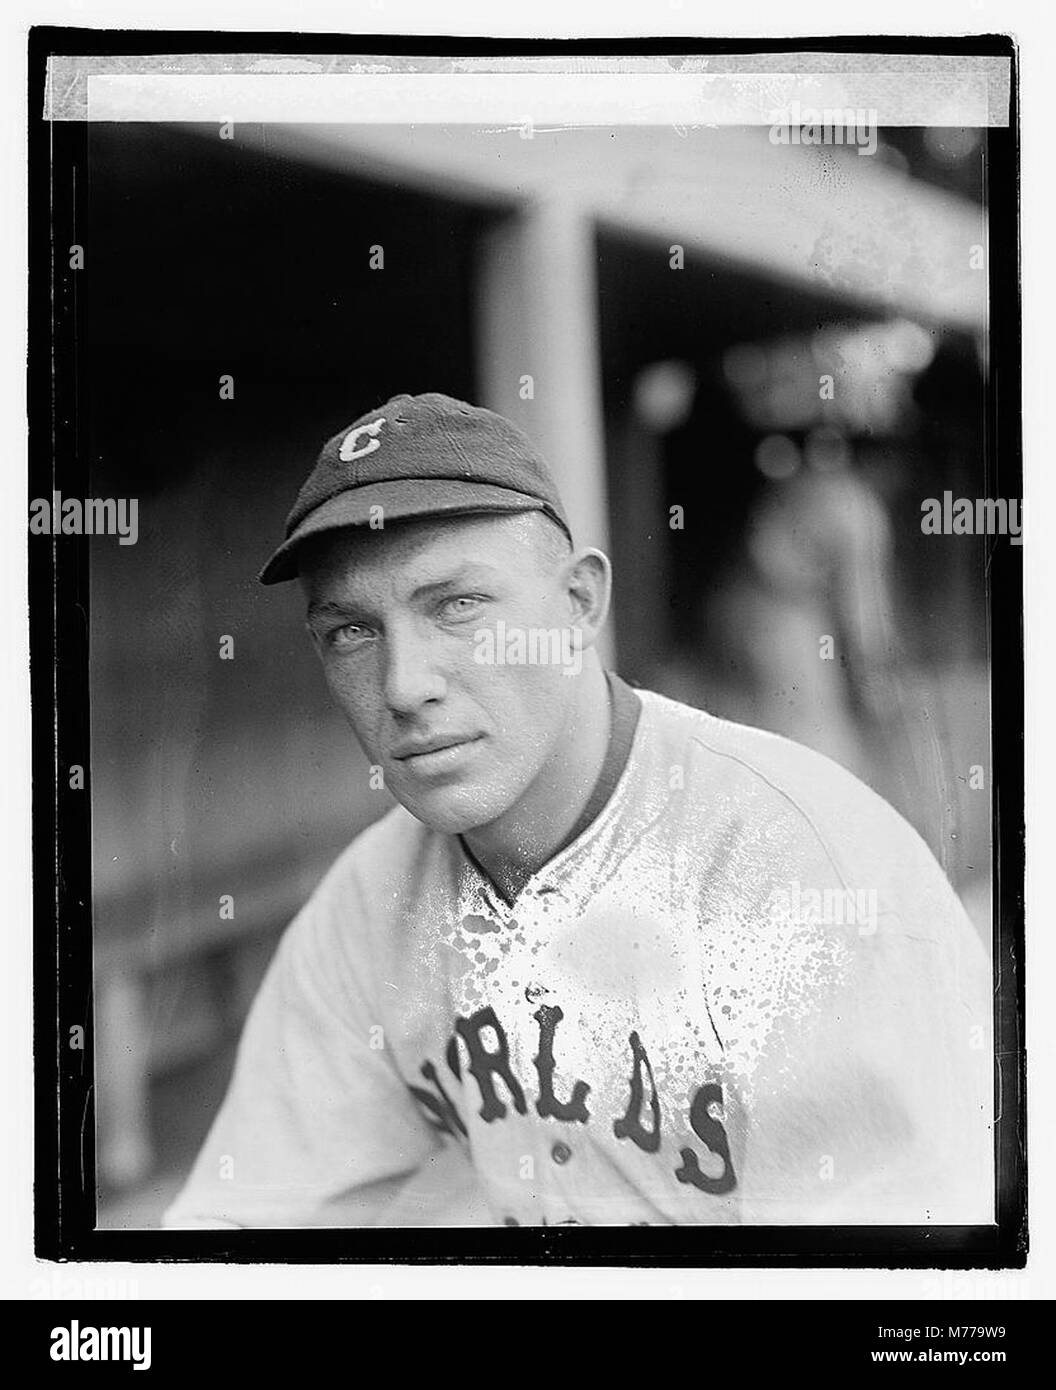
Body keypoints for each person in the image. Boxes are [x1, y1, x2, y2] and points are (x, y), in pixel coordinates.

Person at [163, 392, 992, 1229]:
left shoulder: (805, 874)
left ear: (580, 605)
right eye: (350, 631)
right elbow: (238, 1221)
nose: (404, 684)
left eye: (456, 605)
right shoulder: (368, 905)